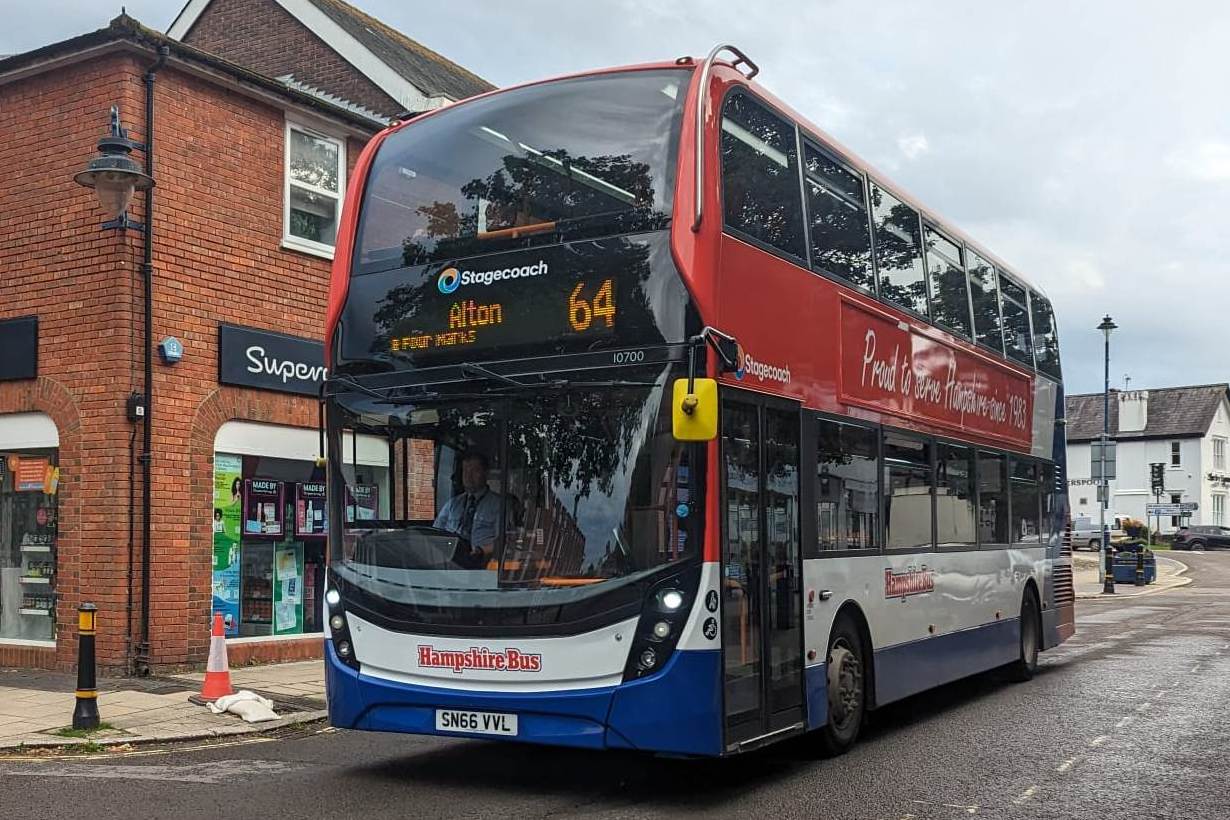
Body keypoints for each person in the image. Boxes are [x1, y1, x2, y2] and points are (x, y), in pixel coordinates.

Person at [433, 452, 504, 568]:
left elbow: (504, 541)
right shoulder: (452, 504)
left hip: (483, 566)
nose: (468, 476)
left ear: (486, 473)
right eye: (465, 470)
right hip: (450, 564)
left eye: (474, 470)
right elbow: (435, 533)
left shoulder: (499, 505)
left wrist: (482, 550)